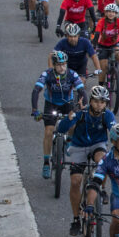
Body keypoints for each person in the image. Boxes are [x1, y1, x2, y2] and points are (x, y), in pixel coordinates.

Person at [57, 86, 116, 235]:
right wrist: (69, 118)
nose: (99, 105)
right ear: (90, 101)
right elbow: (62, 129)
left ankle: (102, 189)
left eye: (103, 102)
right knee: (76, 181)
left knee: (104, 159)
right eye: (96, 101)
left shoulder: (107, 115)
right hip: (79, 146)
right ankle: (76, 218)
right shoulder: (81, 113)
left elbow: (114, 131)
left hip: (98, 145)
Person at [31, 51, 86, 179]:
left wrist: (83, 107)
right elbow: (36, 91)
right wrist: (35, 110)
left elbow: (82, 91)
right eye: (59, 65)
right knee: (49, 131)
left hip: (68, 103)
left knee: (72, 124)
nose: (62, 67)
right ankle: (46, 163)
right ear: (54, 65)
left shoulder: (72, 74)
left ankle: (69, 141)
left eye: (64, 64)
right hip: (51, 104)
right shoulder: (47, 74)